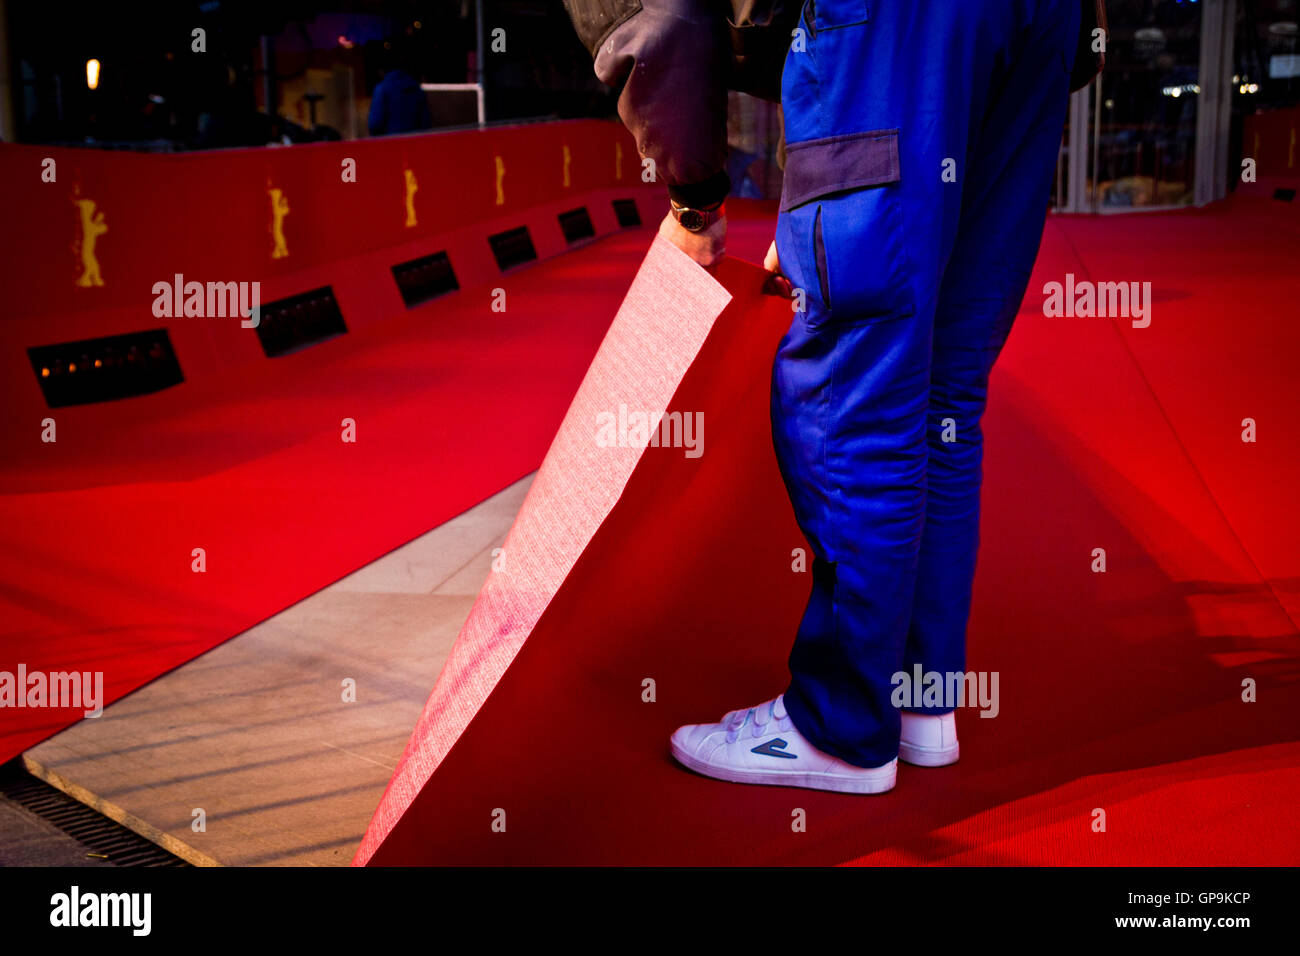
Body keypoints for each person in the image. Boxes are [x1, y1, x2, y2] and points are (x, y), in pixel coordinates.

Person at [565, 0, 1104, 793]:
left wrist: (696, 196)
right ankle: (922, 700)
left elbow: (658, 23)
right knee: (944, 400)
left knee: (857, 385)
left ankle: (841, 727)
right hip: (1039, 21)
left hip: (896, 26)